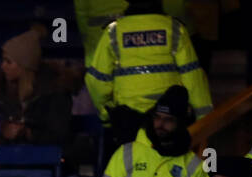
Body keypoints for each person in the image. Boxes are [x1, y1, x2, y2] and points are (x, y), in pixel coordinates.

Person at [86, 0, 211, 146]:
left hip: (128, 120)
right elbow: (193, 76)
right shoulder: (174, 28)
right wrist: (204, 118)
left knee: (129, 165)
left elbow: (96, 81)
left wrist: (106, 115)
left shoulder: (113, 31)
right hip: (168, 118)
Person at [0, 29, 74, 146]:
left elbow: (59, 135)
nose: (3, 66)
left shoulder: (56, 91)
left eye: (8, 62)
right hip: (14, 157)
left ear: (24, 65)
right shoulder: (5, 89)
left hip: (46, 159)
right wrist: (6, 129)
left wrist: (28, 133)